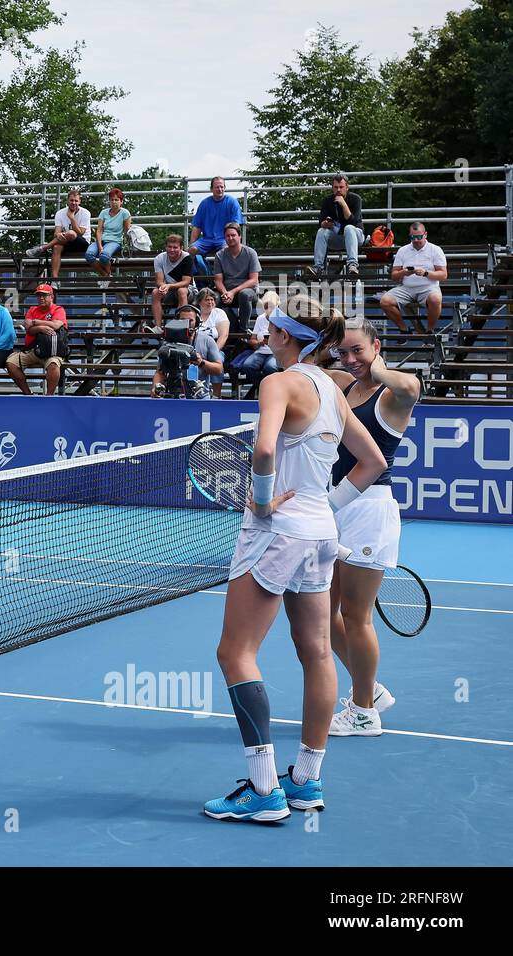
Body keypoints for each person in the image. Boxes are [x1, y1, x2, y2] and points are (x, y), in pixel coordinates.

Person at [205, 295, 386, 823]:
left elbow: (264, 451)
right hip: (320, 533)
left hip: (276, 531)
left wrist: (262, 501)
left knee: (235, 654)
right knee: (318, 653)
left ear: (282, 336)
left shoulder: (277, 383)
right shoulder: (332, 386)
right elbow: (372, 461)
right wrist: (322, 508)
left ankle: (263, 790)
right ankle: (306, 781)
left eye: (268, 328)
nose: (263, 335)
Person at [324, 317, 419, 736]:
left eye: (357, 350)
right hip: (336, 509)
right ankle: (371, 687)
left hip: (370, 510)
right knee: (322, 617)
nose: (349, 359)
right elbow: (300, 364)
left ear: (376, 346)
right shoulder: (343, 384)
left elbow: (410, 387)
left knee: (356, 615)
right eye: (342, 352)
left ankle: (363, 711)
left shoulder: (391, 394)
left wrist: (372, 364)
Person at [380, 223, 447, 333]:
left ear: (425, 235)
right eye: (412, 237)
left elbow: (443, 275)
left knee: (435, 299)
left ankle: (430, 330)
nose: (415, 240)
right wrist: (404, 272)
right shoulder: (403, 250)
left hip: (429, 287)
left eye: (419, 237)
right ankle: (404, 329)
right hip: (406, 288)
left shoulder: (435, 250)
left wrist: (426, 273)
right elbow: (394, 276)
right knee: (385, 301)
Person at [149, 303, 222, 399]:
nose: (187, 324)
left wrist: (201, 362)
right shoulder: (169, 342)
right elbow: (160, 372)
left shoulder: (207, 340)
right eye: (183, 320)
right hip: (173, 396)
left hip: (200, 397)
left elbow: (219, 369)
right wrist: (155, 387)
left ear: (197, 322)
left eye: (190, 321)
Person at [6, 283, 68, 395]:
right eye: (39, 295)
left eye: (44, 295)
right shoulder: (32, 310)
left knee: (54, 365)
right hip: (33, 350)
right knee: (11, 363)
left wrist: (36, 322)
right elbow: (29, 330)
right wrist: (41, 328)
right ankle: (28, 394)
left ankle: (49, 396)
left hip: (52, 351)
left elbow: (56, 325)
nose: (41, 298)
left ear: (51, 296)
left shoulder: (58, 310)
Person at [28, 188, 91, 279]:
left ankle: (44, 247)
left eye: (76, 201)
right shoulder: (60, 213)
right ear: (67, 201)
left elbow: (80, 233)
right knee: (57, 247)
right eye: (71, 200)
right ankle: (55, 279)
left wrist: (71, 218)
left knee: (72, 233)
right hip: (66, 242)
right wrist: (58, 235)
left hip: (82, 243)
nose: (74, 203)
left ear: (80, 201)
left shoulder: (85, 213)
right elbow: (56, 232)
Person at [311, 173, 364, 277]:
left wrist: (343, 204)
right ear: (332, 188)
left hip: (356, 237)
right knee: (321, 231)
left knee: (349, 228)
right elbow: (320, 223)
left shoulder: (356, 199)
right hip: (338, 238)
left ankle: (352, 265)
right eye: (336, 187)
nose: (338, 190)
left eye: (341, 187)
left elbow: (353, 222)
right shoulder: (327, 200)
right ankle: (318, 267)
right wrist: (326, 224)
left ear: (347, 187)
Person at [213, 222, 260, 331]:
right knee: (213, 299)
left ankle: (244, 329)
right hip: (227, 292)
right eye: (227, 236)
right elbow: (218, 280)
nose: (230, 238)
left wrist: (233, 292)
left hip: (248, 292)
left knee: (244, 294)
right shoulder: (219, 255)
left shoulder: (250, 253)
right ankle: (233, 329)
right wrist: (225, 293)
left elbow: (254, 280)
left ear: (240, 236)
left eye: (233, 235)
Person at [189, 177, 244, 257]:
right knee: (191, 250)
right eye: (217, 187)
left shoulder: (232, 202)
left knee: (227, 250)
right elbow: (197, 227)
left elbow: (236, 226)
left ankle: (227, 269)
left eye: (222, 187)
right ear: (211, 189)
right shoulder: (204, 204)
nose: (220, 189)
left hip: (224, 239)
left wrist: (234, 242)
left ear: (225, 188)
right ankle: (201, 269)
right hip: (206, 239)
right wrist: (191, 245)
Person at [85, 187, 131, 278]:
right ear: (109, 201)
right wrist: (100, 246)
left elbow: (127, 230)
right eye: (112, 200)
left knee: (104, 256)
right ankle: (107, 276)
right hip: (101, 240)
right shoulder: (104, 212)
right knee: (89, 255)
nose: (114, 202)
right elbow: (99, 230)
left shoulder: (125, 213)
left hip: (115, 241)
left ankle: (106, 278)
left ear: (121, 201)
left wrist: (128, 244)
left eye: (116, 200)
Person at [151, 233, 194, 328]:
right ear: (166, 247)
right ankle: (158, 327)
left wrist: (169, 286)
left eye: (175, 247)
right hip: (169, 290)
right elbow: (159, 281)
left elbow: (186, 282)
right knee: (155, 292)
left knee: (181, 291)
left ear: (181, 247)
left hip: (188, 290)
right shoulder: (159, 258)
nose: (172, 250)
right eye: (169, 247)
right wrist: (163, 287)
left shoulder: (187, 258)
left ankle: (181, 327)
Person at [196, 287, 230, 398]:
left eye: (212, 300)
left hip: (216, 348)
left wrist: (213, 352)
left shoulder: (219, 313)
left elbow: (223, 335)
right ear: (200, 302)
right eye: (207, 300)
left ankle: (216, 395)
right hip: (196, 349)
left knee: (217, 359)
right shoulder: (195, 314)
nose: (210, 302)